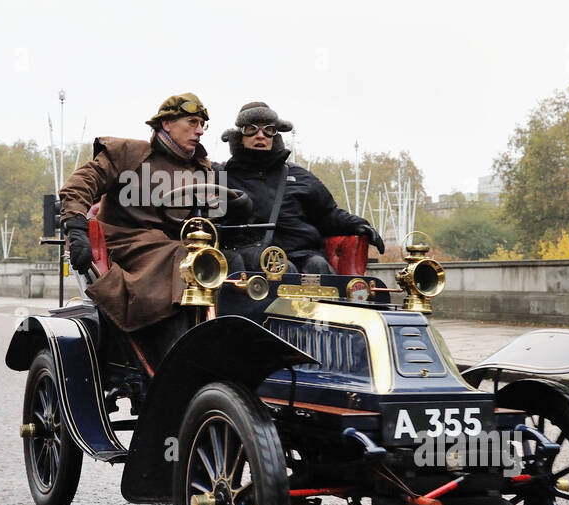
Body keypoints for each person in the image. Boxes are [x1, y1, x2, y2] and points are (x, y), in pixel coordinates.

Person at [60, 92, 243, 355]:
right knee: (186, 259)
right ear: (166, 123)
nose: (200, 131)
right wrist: (76, 227)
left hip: (177, 247)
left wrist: (237, 210)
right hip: (127, 246)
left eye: (203, 125)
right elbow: (80, 185)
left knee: (234, 264)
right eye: (192, 122)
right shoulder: (128, 154)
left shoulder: (202, 169)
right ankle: (174, 357)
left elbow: (211, 216)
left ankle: (232, 348)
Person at [219, 101, 384, 274]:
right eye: (251, 129)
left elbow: (327, 215)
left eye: (268, 130)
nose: (261, 135)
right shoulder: (222, 176)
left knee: (318, 266)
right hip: (253, 259)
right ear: (240, 136)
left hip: (303, 253)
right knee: (284, 269)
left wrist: (361, 226)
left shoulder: (299, 175)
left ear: (275, 136)